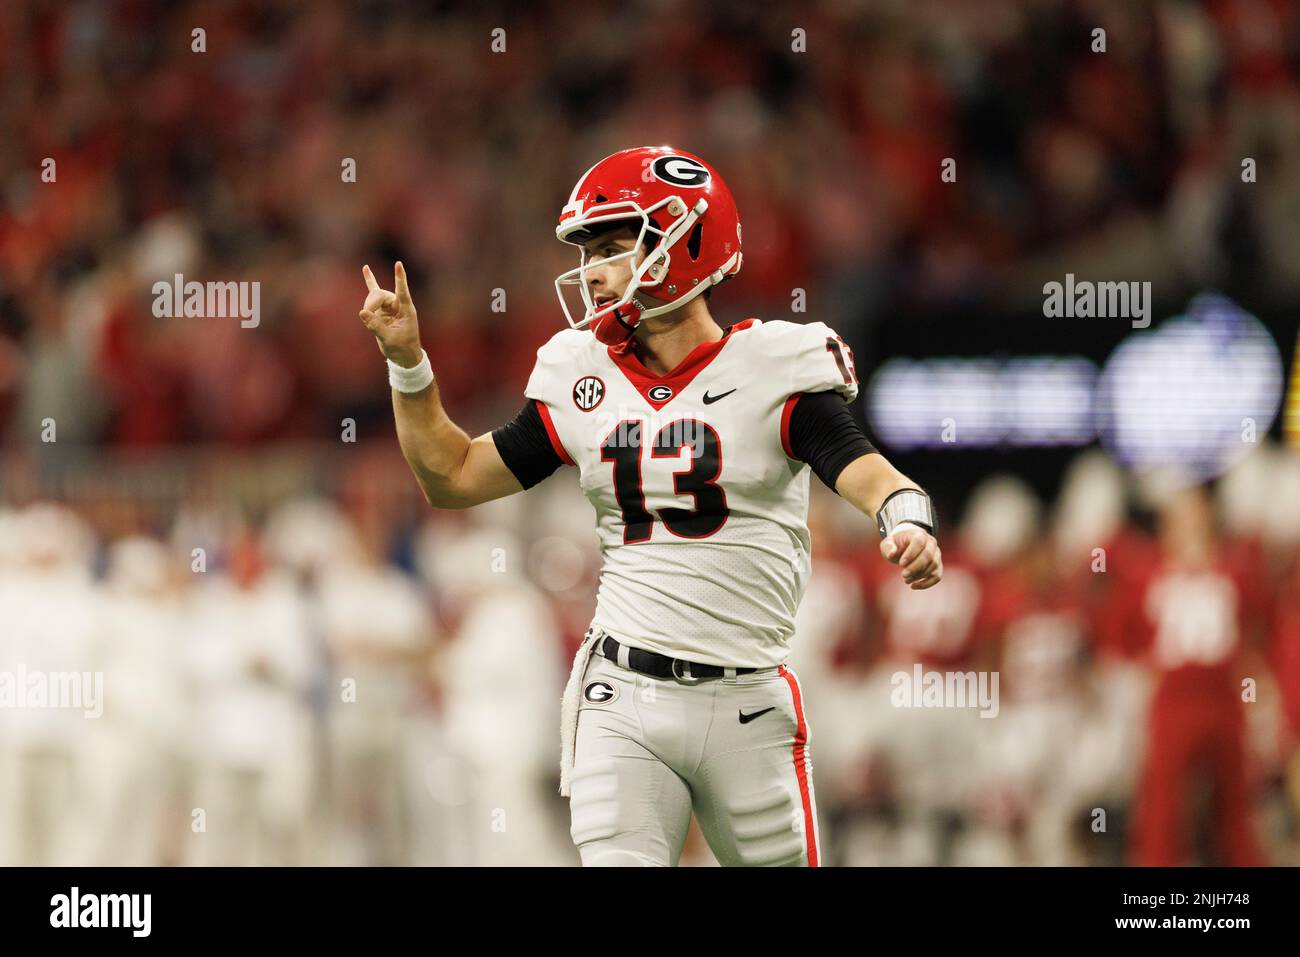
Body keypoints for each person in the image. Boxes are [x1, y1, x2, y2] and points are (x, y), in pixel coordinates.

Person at [359, 146, 943, 866]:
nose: (592, 271)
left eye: (611, 247)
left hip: (747, 699)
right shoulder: (583, 375)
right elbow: (451, 476)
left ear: (685, 239)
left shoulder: (773, 366)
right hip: (622, 694)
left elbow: (870, 473)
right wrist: (408, 363)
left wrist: (905, 517)